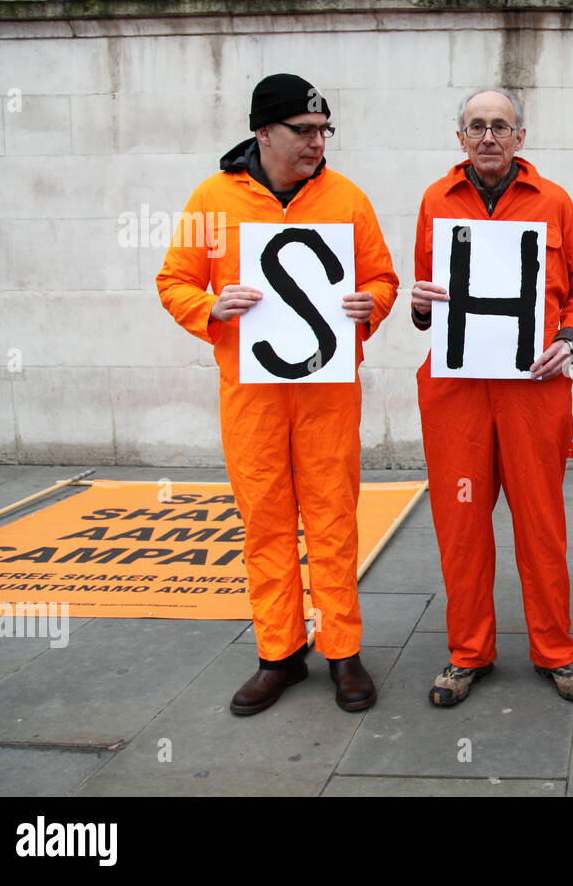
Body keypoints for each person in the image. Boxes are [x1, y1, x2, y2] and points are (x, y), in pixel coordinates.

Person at [157, 73, 398, 716]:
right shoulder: (213, 198)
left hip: (327, 390)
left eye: (324, 131)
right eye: (304, 131)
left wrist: (367, 304)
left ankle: (343, 650)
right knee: (263, 520)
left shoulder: (346, 198)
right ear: (262, 132)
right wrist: (213, 306)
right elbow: (174, 280)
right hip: (252, 393)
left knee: (333, 518)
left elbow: (383, 277)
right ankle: (280, 654)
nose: (318, 143)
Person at [409, 89, 573, 706]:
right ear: (459, 137)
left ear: (521, 136)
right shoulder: (436, 201)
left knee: (541, 525)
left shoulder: (554, 202)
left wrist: (571, 337)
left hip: (533, 392)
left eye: (500, 126)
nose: (488, 137)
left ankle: (556, 652)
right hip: (457, 393)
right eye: (476, 127)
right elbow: (424, 300)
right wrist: (418, 306)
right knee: (461, 526)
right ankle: (468, 652)